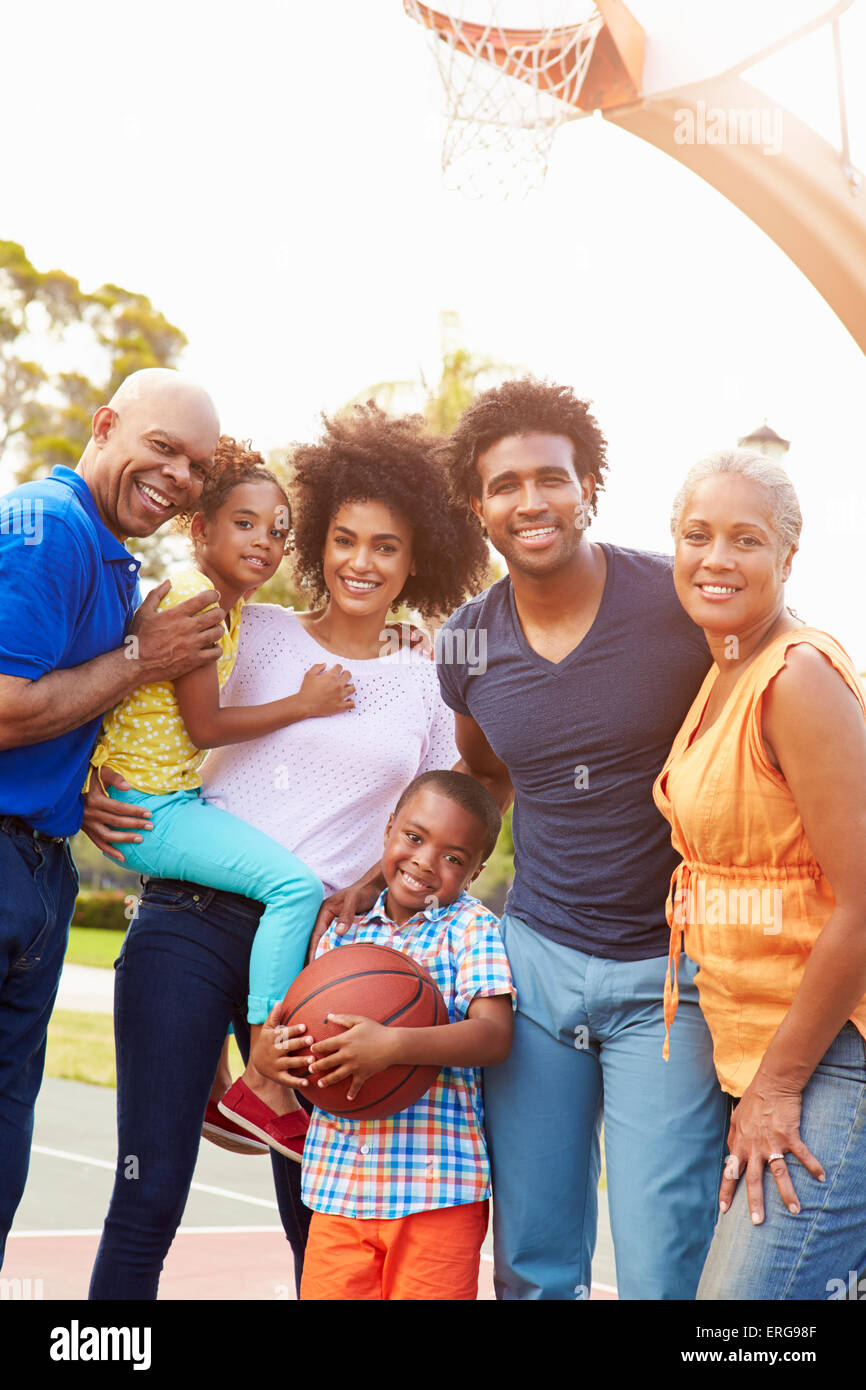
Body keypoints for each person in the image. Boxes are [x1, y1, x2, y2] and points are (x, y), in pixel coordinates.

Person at [82, 405, 489, 1298]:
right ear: (316, 540)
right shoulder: (247, 626)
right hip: (188, 928)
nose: (361, 563)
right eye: (343, 539)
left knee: (314, 1202)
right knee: (148, 1194)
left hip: (322, 958)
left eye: (386, 547)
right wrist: (88, 782)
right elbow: (140, 707)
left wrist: (375, 880)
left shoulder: (427, 675)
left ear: (416, 560)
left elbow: (448, 820)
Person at [434, 377, 728, 1300]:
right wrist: (415, 872)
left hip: (667, 977)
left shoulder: (678, 604)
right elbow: (484, 773)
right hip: (535, 968)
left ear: (589, 485)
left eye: (551, 478)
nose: (532, 501)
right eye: (506, 483)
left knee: (662, 1264)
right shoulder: (465, 645)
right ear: (477, 505)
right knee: (533, 1261)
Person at [0, 368, 223, 1266]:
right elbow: (8, 706)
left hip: (41, 869)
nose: (177, 476)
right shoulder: (47, 528)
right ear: (104, 426)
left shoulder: (104, 550)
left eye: (197, 465)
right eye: (161, 448)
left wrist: (83, 784)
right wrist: (139, 657)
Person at [86, 436, 350, 1159]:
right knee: (293, 887)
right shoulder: (198, 607)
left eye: (279, 530)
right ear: (200, 528)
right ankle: (268, 1078)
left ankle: (214, 1086)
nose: (265, 541)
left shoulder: (231, 610)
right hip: (150, 810)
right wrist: (305, 703)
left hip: (172, 800)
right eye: (245, 523)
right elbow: (206, 726)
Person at [654, 447, 866, 1300]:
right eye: (697, 535)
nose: (716, 558)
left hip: (833, 1058)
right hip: (762, 1054)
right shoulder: (723, 672)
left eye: (746, 539)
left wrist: (777, 1088)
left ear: (788, 555)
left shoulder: (798, 679)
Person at [253, 770, 514, 1301]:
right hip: (338, 1189)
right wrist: (269, 1054)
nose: (424, 862)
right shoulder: (341, 935)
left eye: (453, 857)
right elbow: (299, 1030)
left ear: (476, 871)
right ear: (389, 828)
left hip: (437, 1190)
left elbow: (494, 1035)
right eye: (414, 838)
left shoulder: (470, 928)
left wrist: (394, 1046)